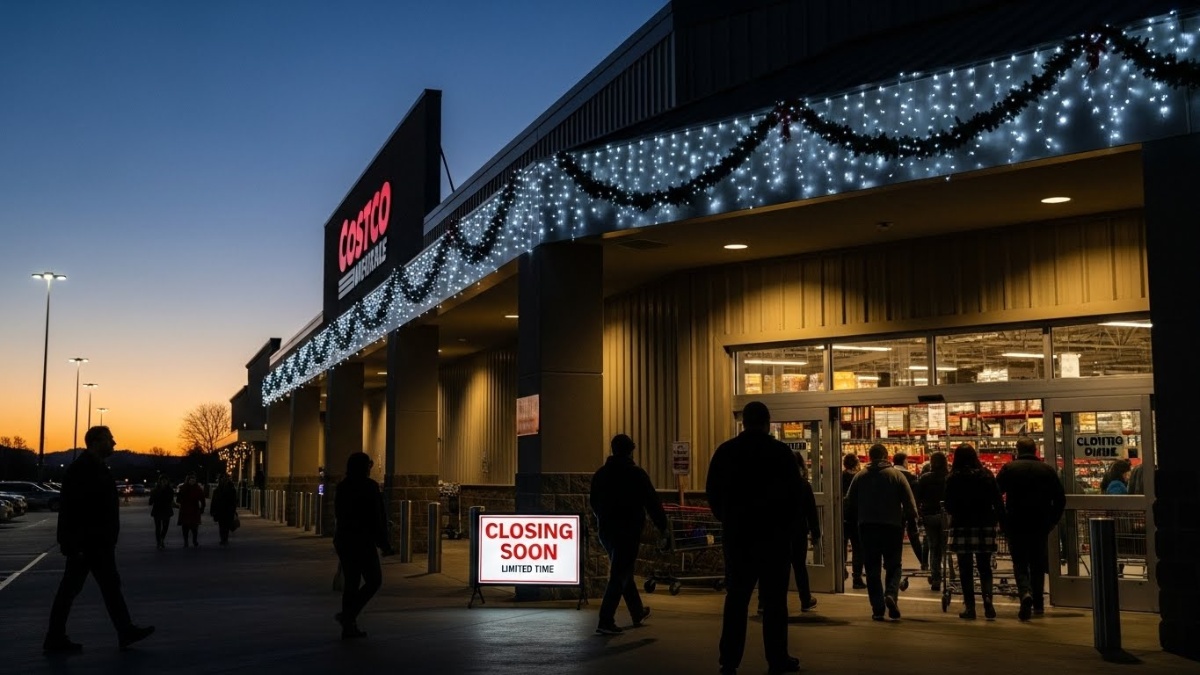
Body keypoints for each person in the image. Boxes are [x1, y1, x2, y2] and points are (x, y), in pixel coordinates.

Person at [707, 401, 804, 675]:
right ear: (767, 422)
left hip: (738, 538)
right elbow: (795, 495)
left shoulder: (726, 452)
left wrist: (727, 518)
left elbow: (712, 491)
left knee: (736, 600)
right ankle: (777, 658)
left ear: (744, 422)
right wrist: (788, 527)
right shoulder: (780, 453)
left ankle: (729, 659)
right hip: (774, 539)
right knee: (775, 603)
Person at [44, 425, 155, 654]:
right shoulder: (82, 470)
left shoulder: (97, 468)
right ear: (95, 442)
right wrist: (72, 544)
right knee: (71, 589)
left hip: (99, 544)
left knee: (109, 587)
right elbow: (71, 509)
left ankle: (124, 630)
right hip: (86, 544)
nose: (114, 443)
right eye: (109, 439)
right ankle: (55, 637)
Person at [589, 434, 668, 635]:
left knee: (622, 570)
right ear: (631, 450)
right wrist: (663, 526)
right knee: (619, 573)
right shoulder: (636, 474)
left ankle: (637, 611)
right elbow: (652, 503)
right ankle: (605, 620)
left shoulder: (601, 474)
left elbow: (594, 502)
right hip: (628, 530)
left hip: (606, 530)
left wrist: (602, 518)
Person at [844, 443, 918, 622]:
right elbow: (910, 504)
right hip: (892, 527)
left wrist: (857, 518)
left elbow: (849, 503)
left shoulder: (860, 477)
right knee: (894, 565)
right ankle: (891, 594)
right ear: (887, 457)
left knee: (872, 569)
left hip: (867, 527)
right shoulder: (896, 475)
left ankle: (877, 609)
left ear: (869, 457)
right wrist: (912, 521)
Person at [996, 438, 1066, 620]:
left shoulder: (1009, 469)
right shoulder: (1047, 470)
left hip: (1016, 522)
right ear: (1035, 450)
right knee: (1037, 563)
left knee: (1019, 562)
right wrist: (1052, 521)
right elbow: (1060, 499)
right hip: (1039, 523)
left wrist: (1003, 519)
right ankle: (1039, 604)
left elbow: (995, 495)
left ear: (1017, 450)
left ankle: (1025, 593)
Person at [333, 452, 395, 640]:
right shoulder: (370, 487)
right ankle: (348, 617)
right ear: (363, 467)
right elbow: (377, 518)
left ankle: (348, 625)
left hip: (345, 540)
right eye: (369, 464)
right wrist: (384, 543)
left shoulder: (342, 487)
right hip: (362, 541)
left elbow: (339, 514)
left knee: (352, 582)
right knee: (374, 580)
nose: (371, 467)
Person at [944, 444, 1005, 620]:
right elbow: (997, 500)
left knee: (965, 568)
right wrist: (1001, 522)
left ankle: (970, 607)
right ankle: (987, 600)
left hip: (962, 525)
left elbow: (948, 504)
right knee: (985, 567)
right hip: (984, 525)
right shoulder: (986, 475)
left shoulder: (953, 478)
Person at [915, 451, 949, 591]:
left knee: (933, 547)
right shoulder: (949, 477)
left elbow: (918, 498)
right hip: (946, 516)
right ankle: (951, 576)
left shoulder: (924, 478)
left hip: (929, 516)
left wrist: (919, 514)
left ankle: (936, 579)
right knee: (946, 547)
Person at [892, 451, 925, 568]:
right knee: (914, 537)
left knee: (896, 539)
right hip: (909, 511)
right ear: (904, 461)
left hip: (893, 512)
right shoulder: (910, 477)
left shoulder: (889, 475)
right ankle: (923, 562)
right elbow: (915, 498)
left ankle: (896, 563)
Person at [841, 453, 865, 589]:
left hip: (843, 516)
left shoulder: (840, 477)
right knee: (858, 548)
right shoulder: (859, 477)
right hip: (856, 516)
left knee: (842, 546)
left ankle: (841, 569)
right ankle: (857, 578)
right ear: (856, 463)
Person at [176, 474, 205, 547]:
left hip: (194, 509)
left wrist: (202, 508)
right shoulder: (183, 488)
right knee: (185, 527)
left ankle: (194, 540)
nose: (192, 482)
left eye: (193, 480)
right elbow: (178, 499)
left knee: (194, 528)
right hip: (185, 509)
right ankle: (186, 542)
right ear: (188, 480)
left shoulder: (198, 489)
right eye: (191, 480)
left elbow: (202, 499)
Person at [210, 474, 238, 546]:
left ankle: (224, 539)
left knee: (223, 525)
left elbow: (234, 501)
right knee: (224, 525)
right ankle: (224, 539)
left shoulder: (228, 489)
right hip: (224, 510)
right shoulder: (227, 489)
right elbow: (214, 501)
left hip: (225, 510)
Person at [148, 476, 175, 550]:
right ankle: (159, 541)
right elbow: (151, 501)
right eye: (163, 480)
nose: (164, 482)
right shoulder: (156, 490)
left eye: (165, 480)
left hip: (164, 509)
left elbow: (171, 500)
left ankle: (161, 540)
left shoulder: (169, 490)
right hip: (159, 510)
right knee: (159, 527)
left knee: (164, 527)